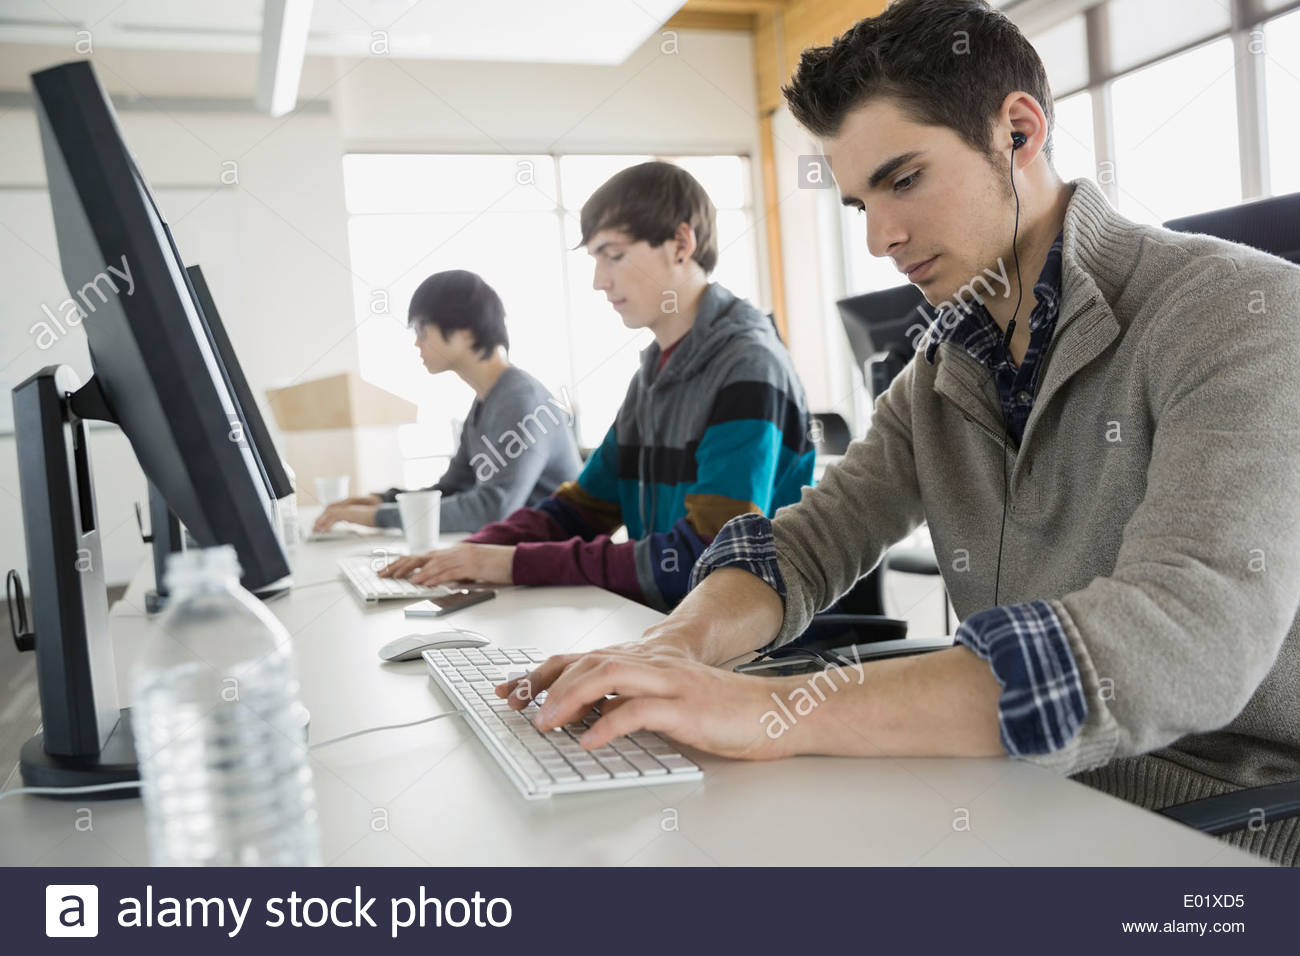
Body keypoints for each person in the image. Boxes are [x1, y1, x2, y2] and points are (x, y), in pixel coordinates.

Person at [492, 0, 1300, 866]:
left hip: (1216, 826)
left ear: (1018, 132)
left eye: (904, 178)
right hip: (1012, 791)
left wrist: (766, 712)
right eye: (857, 203)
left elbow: (1188, 637)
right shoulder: (942, 369)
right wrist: (668, 651)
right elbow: (807, 542)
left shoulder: (1240, 316)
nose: (881, 238)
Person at [379, 162, 814, 611]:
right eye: (595, 259)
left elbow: (702, 559)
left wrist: (513, 564)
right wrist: (469, 554)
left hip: (759, 651)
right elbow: (581, 510)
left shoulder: (747, 366)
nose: (598, 280)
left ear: (681, 244)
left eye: (614, 254)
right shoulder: (653, 377)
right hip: (676, 631)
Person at [313, 270, 581, 534]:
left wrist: (377, 517)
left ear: (465, 331)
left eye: (421, 329)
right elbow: (453, 488)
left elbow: (492, 510)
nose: (417, 343)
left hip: (559, 560)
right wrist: (385, 500)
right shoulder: (487, 401)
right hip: (524, 551)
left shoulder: (521, 400)